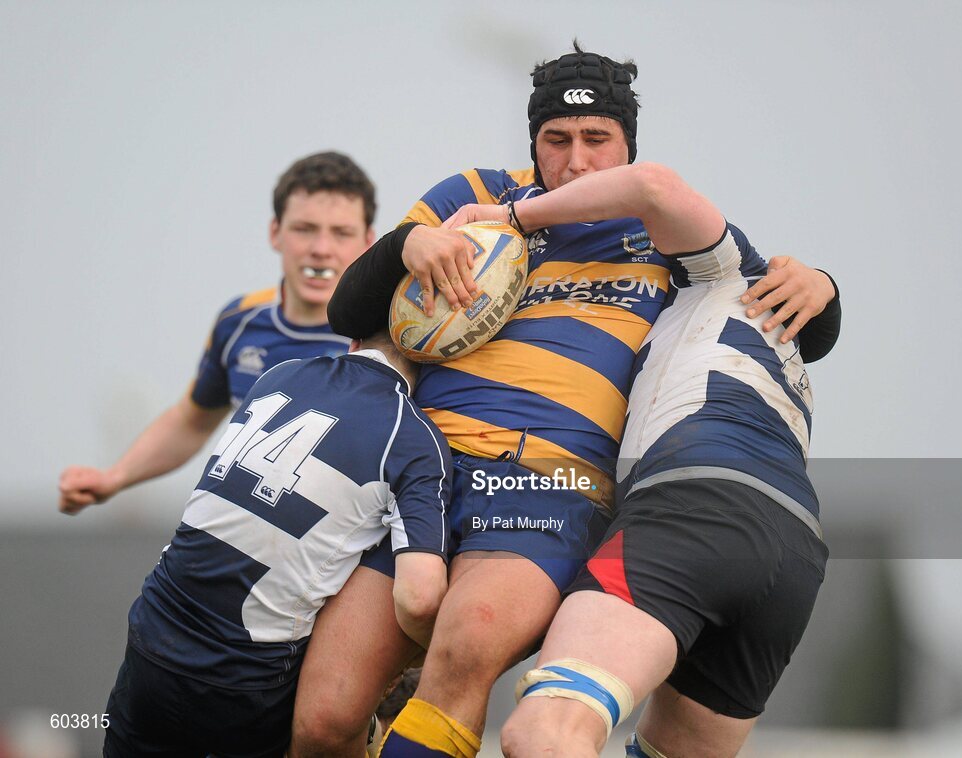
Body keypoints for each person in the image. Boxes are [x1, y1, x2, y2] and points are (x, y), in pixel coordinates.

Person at [321, 44, 839, 758]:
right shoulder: (470, 195)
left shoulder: (657, 232)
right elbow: (351, 309)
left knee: (467, 647)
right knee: (321, 720)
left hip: (552, 479)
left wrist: (822, 284)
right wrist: (409, 243)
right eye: (555, 141)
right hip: (422, 466)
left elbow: (779, 318)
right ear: (532, 141)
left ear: (627, 145)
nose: (575, 161)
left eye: (597, 140)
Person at [450, 161, 832, 756]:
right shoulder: (755, 332)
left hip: (695, 508)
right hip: (794, 552)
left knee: (545, 732)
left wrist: (509, 216)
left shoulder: (722, 271)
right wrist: (825, 282)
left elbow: (650, 187)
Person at [103, 331, 451, 757]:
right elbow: (418, 599)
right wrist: (418, 657)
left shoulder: (280, 374)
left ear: (355, 338)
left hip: (151, 638)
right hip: (245, 678)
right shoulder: (413, 436)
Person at [58, 151, 376, 515]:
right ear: (275, 233)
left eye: (341, 233)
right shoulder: (239, 321)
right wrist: (113, 478)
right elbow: (192, 421)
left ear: (368, 241)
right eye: (304, 229)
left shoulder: (388, 337)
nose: (321, 249)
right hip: (242, 551)